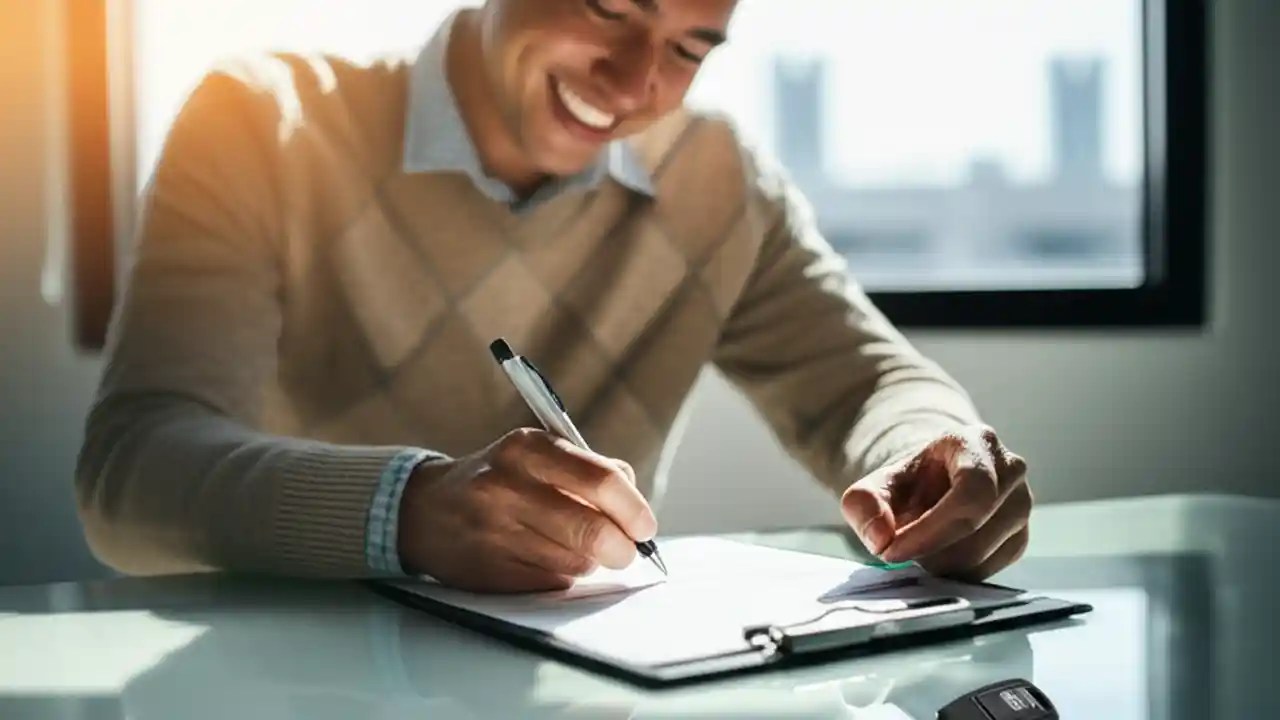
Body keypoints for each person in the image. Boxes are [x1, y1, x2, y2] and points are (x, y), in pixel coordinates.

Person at [76, 0, 1032, 592]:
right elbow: (133, 471)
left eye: (690, 49)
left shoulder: (717, 180)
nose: (635, 84)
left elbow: (865, 380)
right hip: (291, 686)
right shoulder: (263, 125)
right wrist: (407, 511)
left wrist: (930, 449)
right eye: (610, 5)